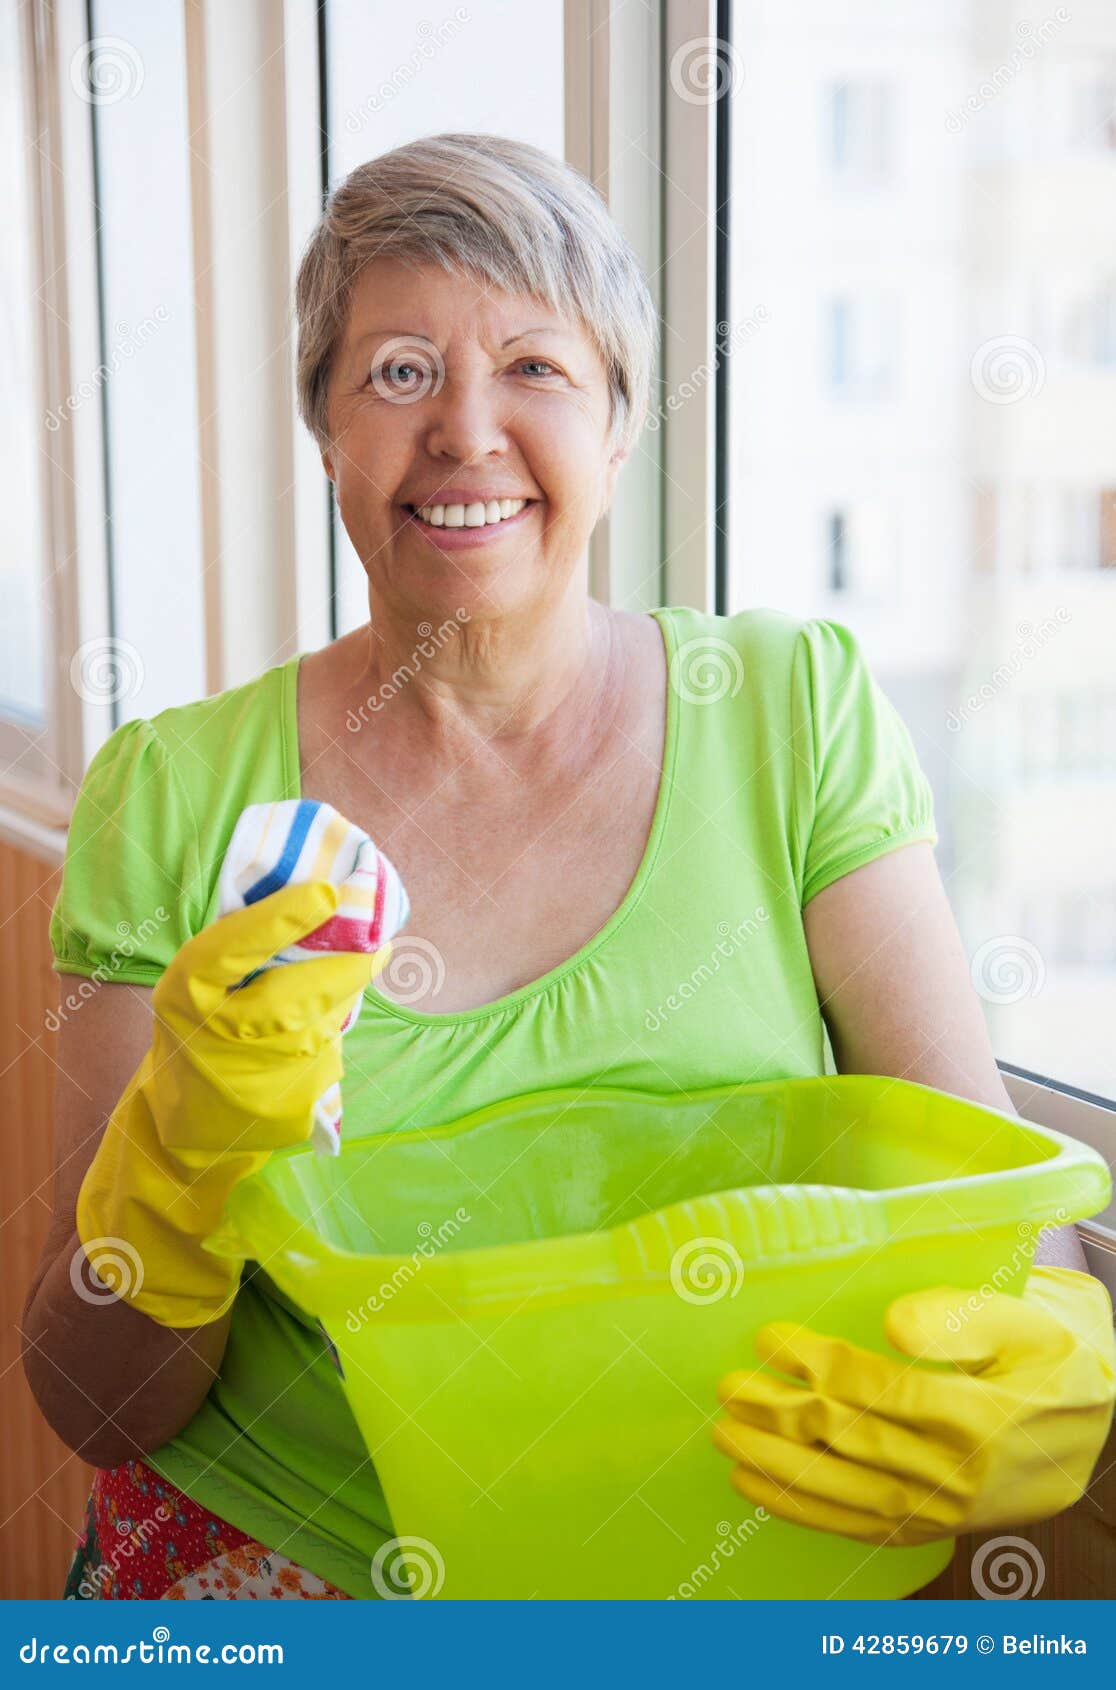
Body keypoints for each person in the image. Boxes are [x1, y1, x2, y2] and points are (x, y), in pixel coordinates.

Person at [24, 133, 1115, 1601]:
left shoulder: (790, 716)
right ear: (326, 431)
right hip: (276, 1583)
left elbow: (993, 1203)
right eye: (398, 372)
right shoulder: (176, 796)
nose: (465, 430)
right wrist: (175, 1172)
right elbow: (92, 1399)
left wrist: (1056, 1348)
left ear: (618, 422)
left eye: (534, 366)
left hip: (734, 1583)